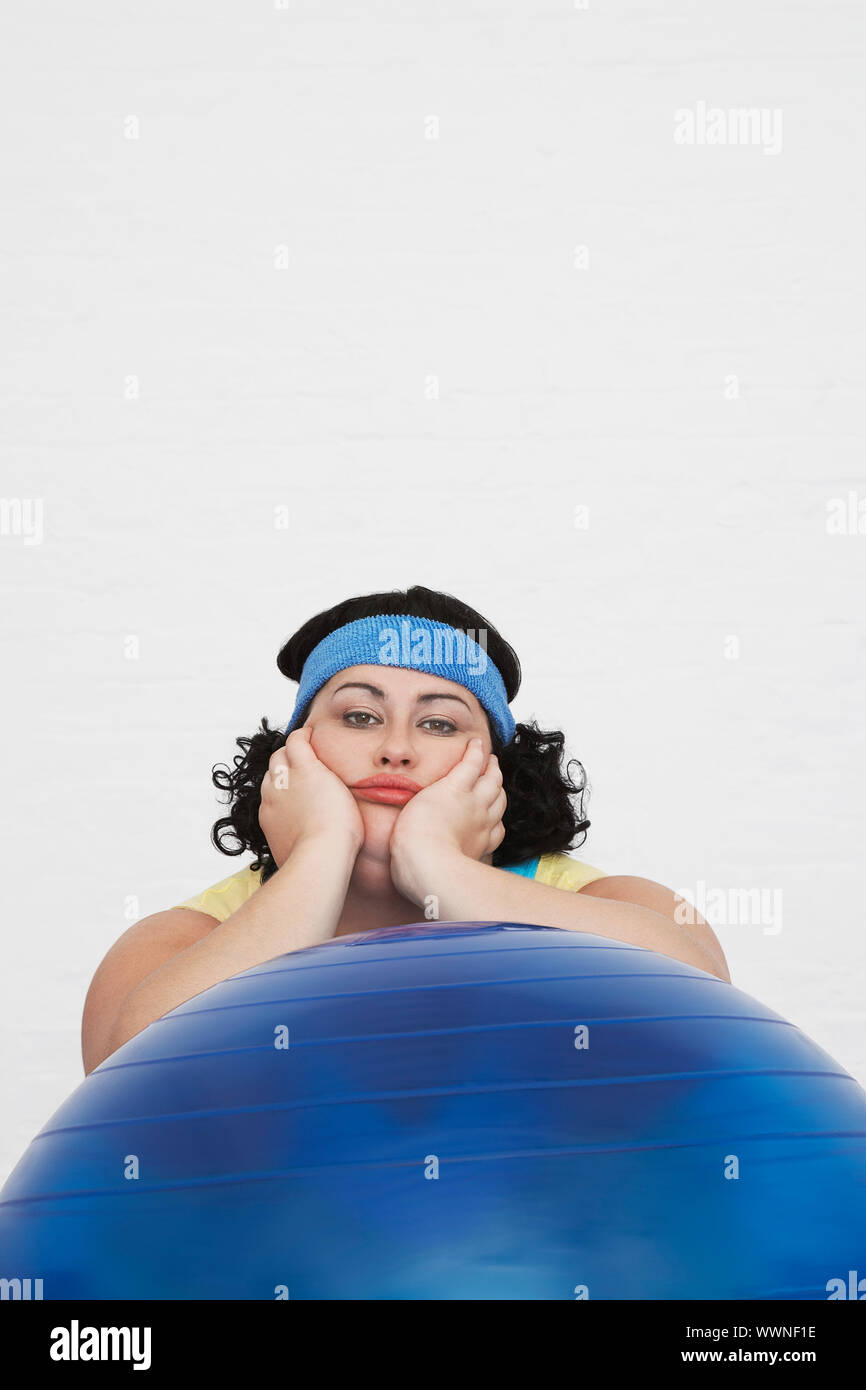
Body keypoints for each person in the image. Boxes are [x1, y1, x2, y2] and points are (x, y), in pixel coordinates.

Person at [81, 585, 729, 1075]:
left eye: (440, 723)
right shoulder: (183, 938)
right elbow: (128, 1084)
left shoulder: (615, 906)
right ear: (296, 750)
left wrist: (442, 871)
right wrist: (318, 856)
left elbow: (710, 1028)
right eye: (359, 716)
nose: (395, 749)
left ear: (496, 767)